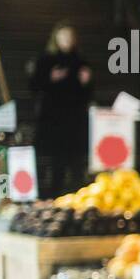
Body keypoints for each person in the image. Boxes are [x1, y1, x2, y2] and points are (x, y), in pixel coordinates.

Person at [31, 21, 92, 197]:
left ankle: (79, 197)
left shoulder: (80, 61)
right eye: (63, 36)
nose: (66, 40)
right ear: (56, 38)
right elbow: (34, 86)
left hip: (75, 118)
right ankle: (54, 196)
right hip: (53, 118)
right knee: (56, 161)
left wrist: (86, 83)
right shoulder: (45, 59)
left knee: (76, 161)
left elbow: (87, 94)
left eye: (69, 37)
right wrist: (50, 78)